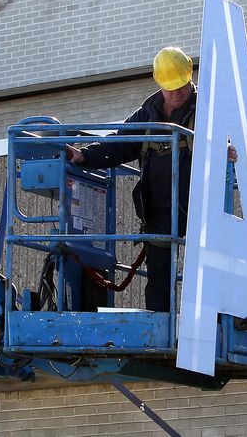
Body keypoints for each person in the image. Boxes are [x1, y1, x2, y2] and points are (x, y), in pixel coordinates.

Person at [66, 46, 236, 312]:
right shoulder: (148, 114)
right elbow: (119, 144)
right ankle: (160, 324)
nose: (176, 93)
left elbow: (222, 141)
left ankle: (211, 324)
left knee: (206, 269)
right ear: (159, 83)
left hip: (197, 208)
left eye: (181, 86)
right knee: (159, 272)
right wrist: (84, 156)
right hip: (158, 210)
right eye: (170, 88)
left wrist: (225, 149)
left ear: (189, 78)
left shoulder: (206, 109)